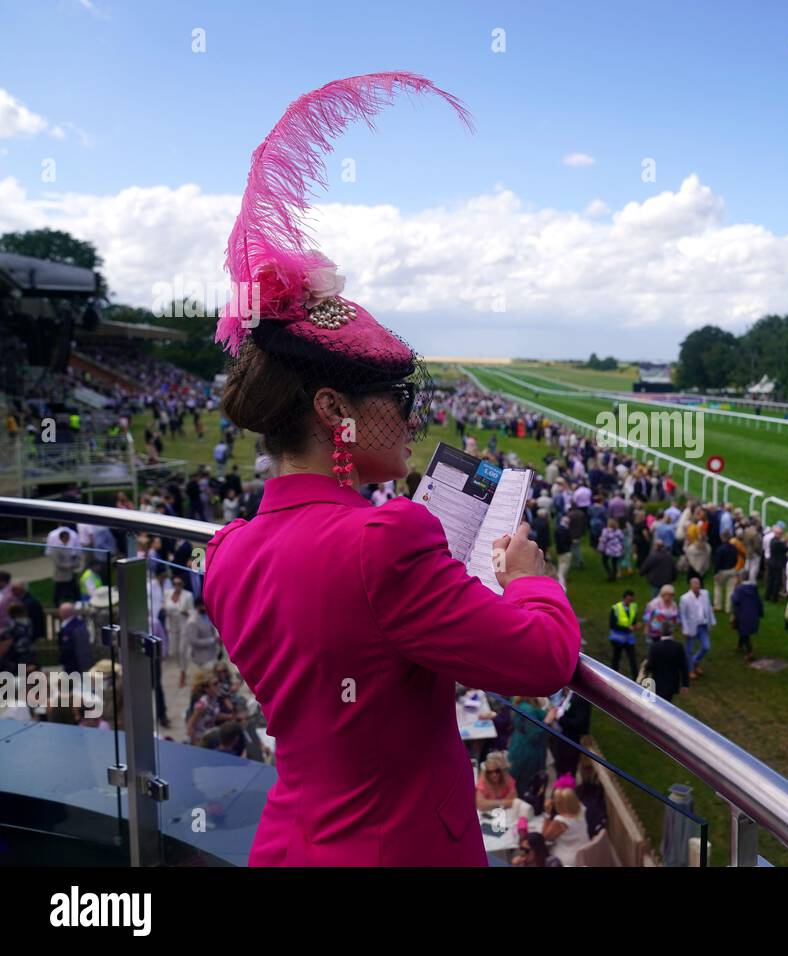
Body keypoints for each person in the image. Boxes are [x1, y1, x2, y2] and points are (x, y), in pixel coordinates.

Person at [203, 72, 580, 867]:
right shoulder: (388, 538)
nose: (411, 418)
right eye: (396, 398)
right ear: (336, 408)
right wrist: (531, 579)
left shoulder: (229, 549)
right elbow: (542, 660)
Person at [678, 576, 715, 680]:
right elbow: (683, 615)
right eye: (694, 585)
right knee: (688, 650)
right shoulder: (685, 598)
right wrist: (685, 629)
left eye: (698, 584)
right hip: (691, 627)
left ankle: (695, 661)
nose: (696, 587)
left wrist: (712, 620)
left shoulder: (705, 594)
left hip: (703, 625)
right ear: (690, 586)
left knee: (706, 646)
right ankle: (689, 670)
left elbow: (709, 608)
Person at [542, 785, 588, 866]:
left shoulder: (561, 821)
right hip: (584, 850)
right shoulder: (581, 808)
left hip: (567, 859)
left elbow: (545, 837)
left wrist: (547, 814)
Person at [644, 628, 690, 702]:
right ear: (671, 633)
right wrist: (685, 684)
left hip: (657, 683)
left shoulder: (655, 647)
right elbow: (684, 667)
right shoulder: (678, 647)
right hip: (672, 685)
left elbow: (650, 666)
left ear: (661, 633)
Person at [729, 576, 763, 662]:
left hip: (742, 614)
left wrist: (734, 590)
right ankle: (739, 645)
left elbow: (735, 600)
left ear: (740, 578)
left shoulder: (739, 589)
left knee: (744, 633)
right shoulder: (754, 589)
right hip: (753, 614)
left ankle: (750, 652)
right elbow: (759, 602)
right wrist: (760, 613)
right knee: (742, 630)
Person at [608, 589, 640, 678]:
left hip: (629, 638)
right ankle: (614, 676)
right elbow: (612, 625)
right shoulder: (616, 608)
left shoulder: (633, 607)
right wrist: (627, 628)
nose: (629, 602)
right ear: (624, 598)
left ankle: (636, 677)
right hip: (617, 638)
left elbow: (633, 620)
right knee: (616, 658)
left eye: (631, 600)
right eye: (628, 600)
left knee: (632, 658)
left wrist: (635, 625)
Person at [56, 603, 92, 675]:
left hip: (74, 663)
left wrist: (62, 659)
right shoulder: (79, 623)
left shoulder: (71, 628)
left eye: (60, 611)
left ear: (65, 613)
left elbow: (68, 648)